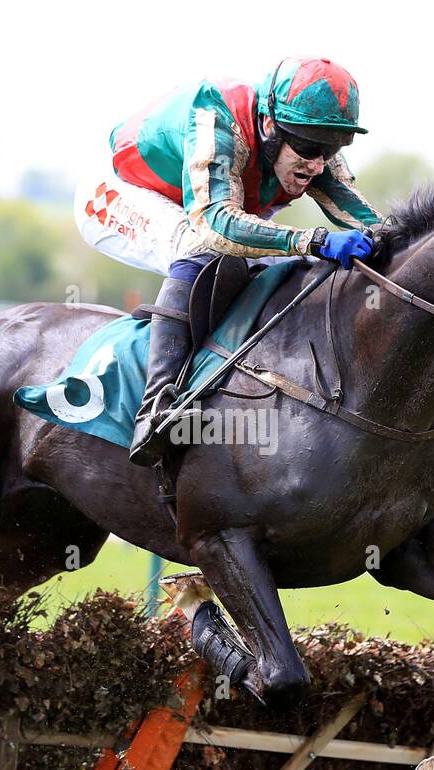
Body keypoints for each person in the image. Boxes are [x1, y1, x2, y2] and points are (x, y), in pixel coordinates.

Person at [74, 57, 383, 466]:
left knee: (263, 268)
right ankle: (157, 406)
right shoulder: (216, 115)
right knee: (198, 248)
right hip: (125, 194)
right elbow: (217, 225)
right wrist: (314, 240)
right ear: (271, 126)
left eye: (332, 149)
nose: (318, 164)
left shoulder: (308, 142)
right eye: (309, 148)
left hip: (209, 205)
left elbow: (367, 219)